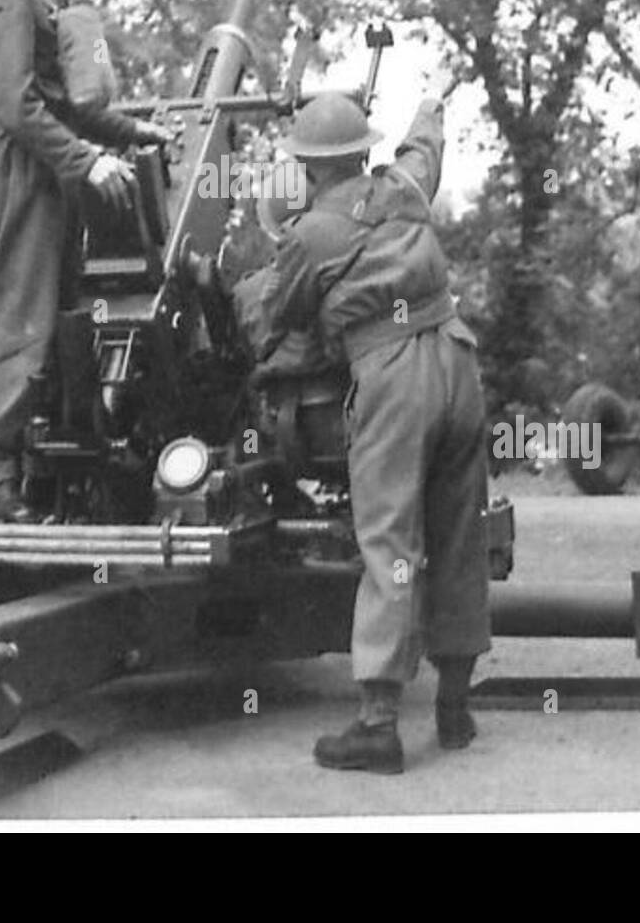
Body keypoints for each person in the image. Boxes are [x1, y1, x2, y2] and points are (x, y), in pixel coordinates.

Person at [256, 92, 490, 774]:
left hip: (391, 373)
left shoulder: (308, 235)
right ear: (363, 150)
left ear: (306, 167)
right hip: (456, 354)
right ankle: (453, 708)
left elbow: (275, 319)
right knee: (457, 532)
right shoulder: (404, 185)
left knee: (389, 539)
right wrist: (430, 107)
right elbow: (426, 145)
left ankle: (379, 726)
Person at [0, 0, 170, 521]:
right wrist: (85, 161)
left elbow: (68, 105)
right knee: (19, 322)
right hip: (26, 175)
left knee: (60, 330)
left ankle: (46, 469)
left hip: (51, 176)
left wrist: (133, 133)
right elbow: (13, 104)